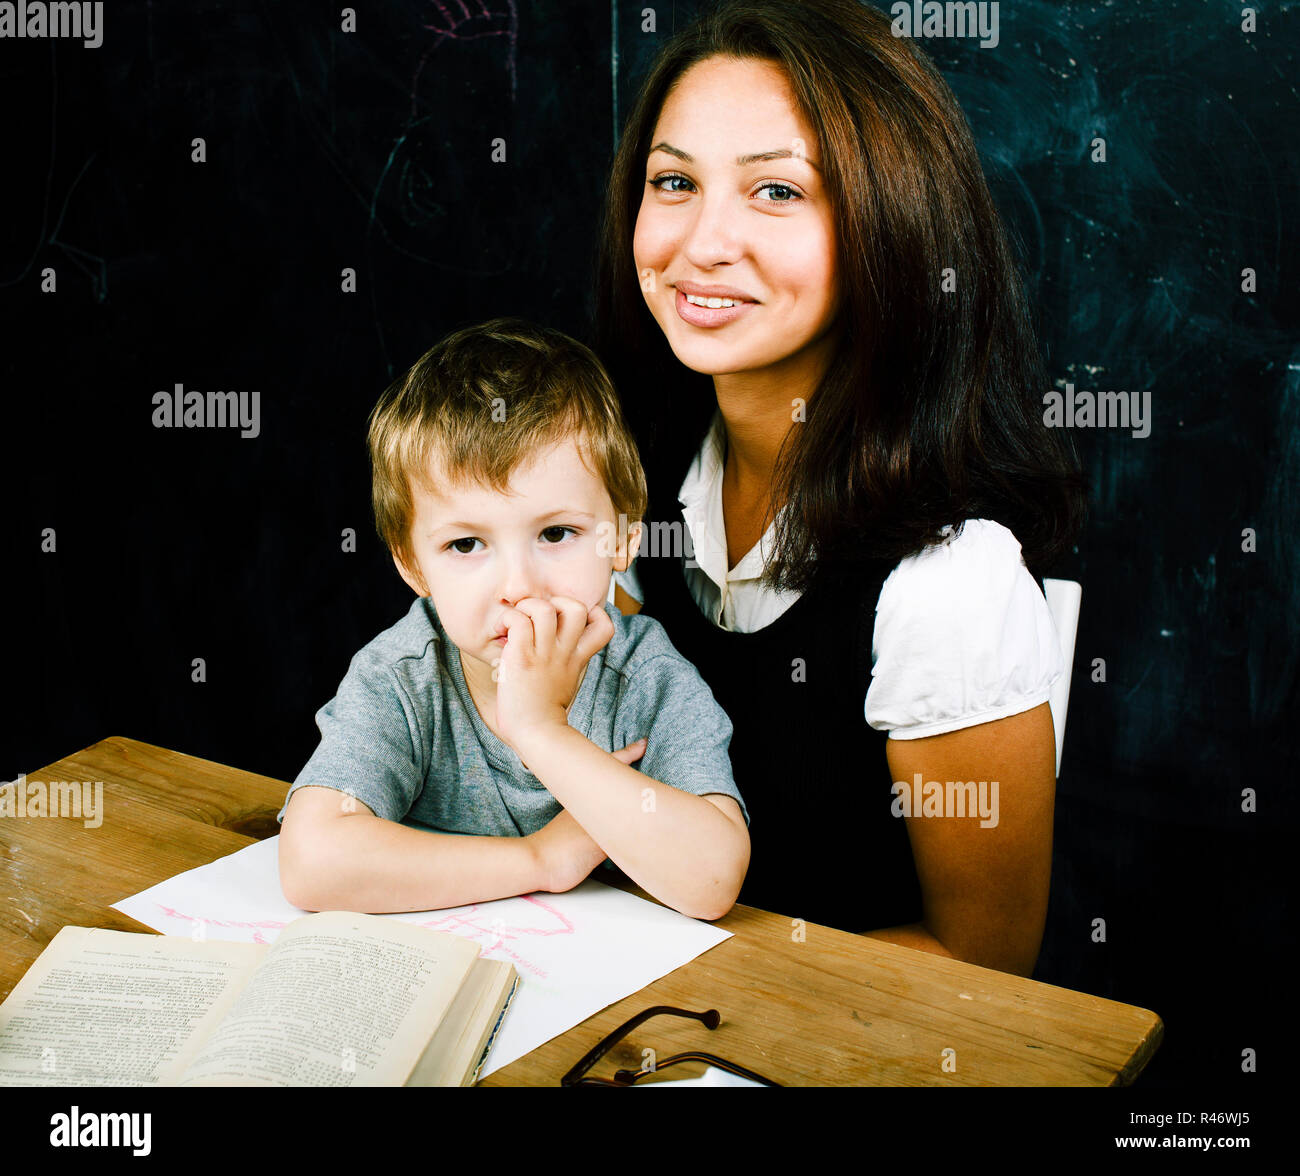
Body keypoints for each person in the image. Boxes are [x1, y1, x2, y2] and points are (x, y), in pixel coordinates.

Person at [590, 0, 1087, 975]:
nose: (700, 242)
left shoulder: (949, 582)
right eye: (674, 180)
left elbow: (981, 972)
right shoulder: (618, 477)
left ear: (885, 225)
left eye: (775, 191)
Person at [276, 318, 750, 921]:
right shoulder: (403, 678)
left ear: (625, 539)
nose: (519, 587)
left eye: (557, 533)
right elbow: (314, 862)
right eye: (466, 545)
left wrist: (542, 731)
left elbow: (712, 880)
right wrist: (539, 860)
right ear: (412, 566)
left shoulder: (646, 679)